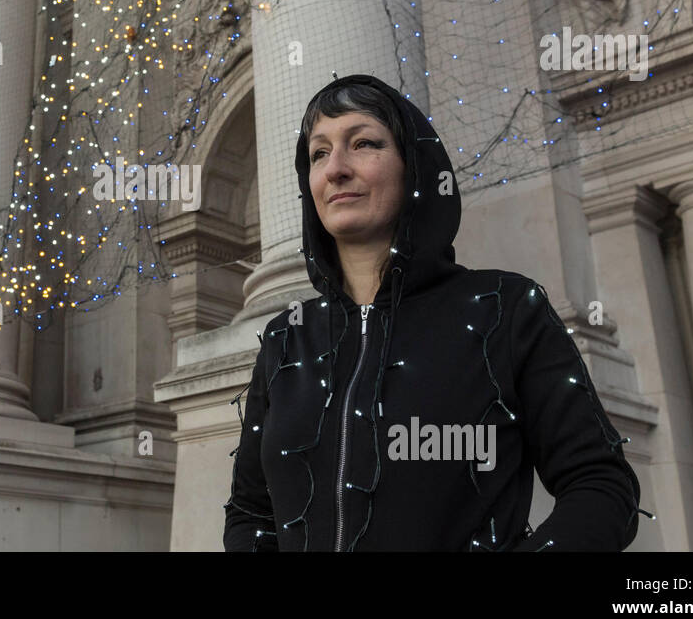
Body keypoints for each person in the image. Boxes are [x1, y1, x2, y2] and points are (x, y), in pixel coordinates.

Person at [222, 74, 644, 551]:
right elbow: (250, 512)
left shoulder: (503, 309)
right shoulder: (288, 338)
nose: (336, 168)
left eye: (363, 143)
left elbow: (601, 486)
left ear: (414, 167)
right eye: (319, 153)